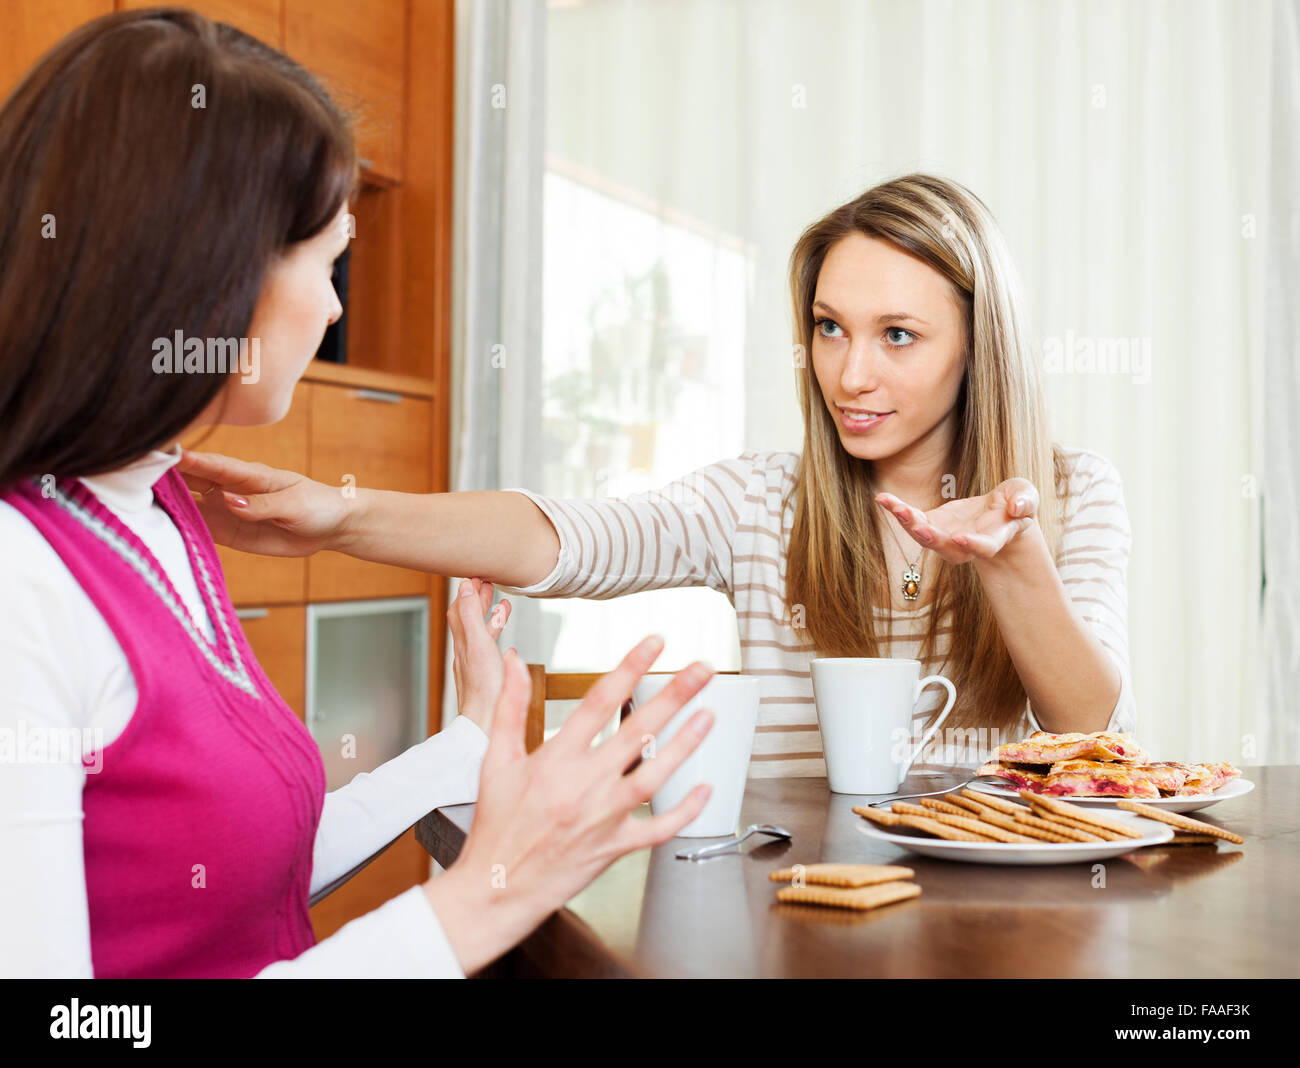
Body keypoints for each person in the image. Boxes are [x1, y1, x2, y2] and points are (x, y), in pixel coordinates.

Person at [0, 7, 715, 979]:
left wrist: (465, 748)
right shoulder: (22, 584)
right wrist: (480, 897)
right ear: (211, 273)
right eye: (330, 262)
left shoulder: (157, 504)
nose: (337, 306)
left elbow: (249, 872)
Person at [182, 175, 1136, 778]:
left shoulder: (1074, 489)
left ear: (979, 347)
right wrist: (337, 515)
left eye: (899, 336)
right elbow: (565, 537)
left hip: (1004, 921)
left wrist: (1013, 565)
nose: (850, 373)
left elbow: (1087, 720)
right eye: (830, 327)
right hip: (796, 911)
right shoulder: (766, 500)